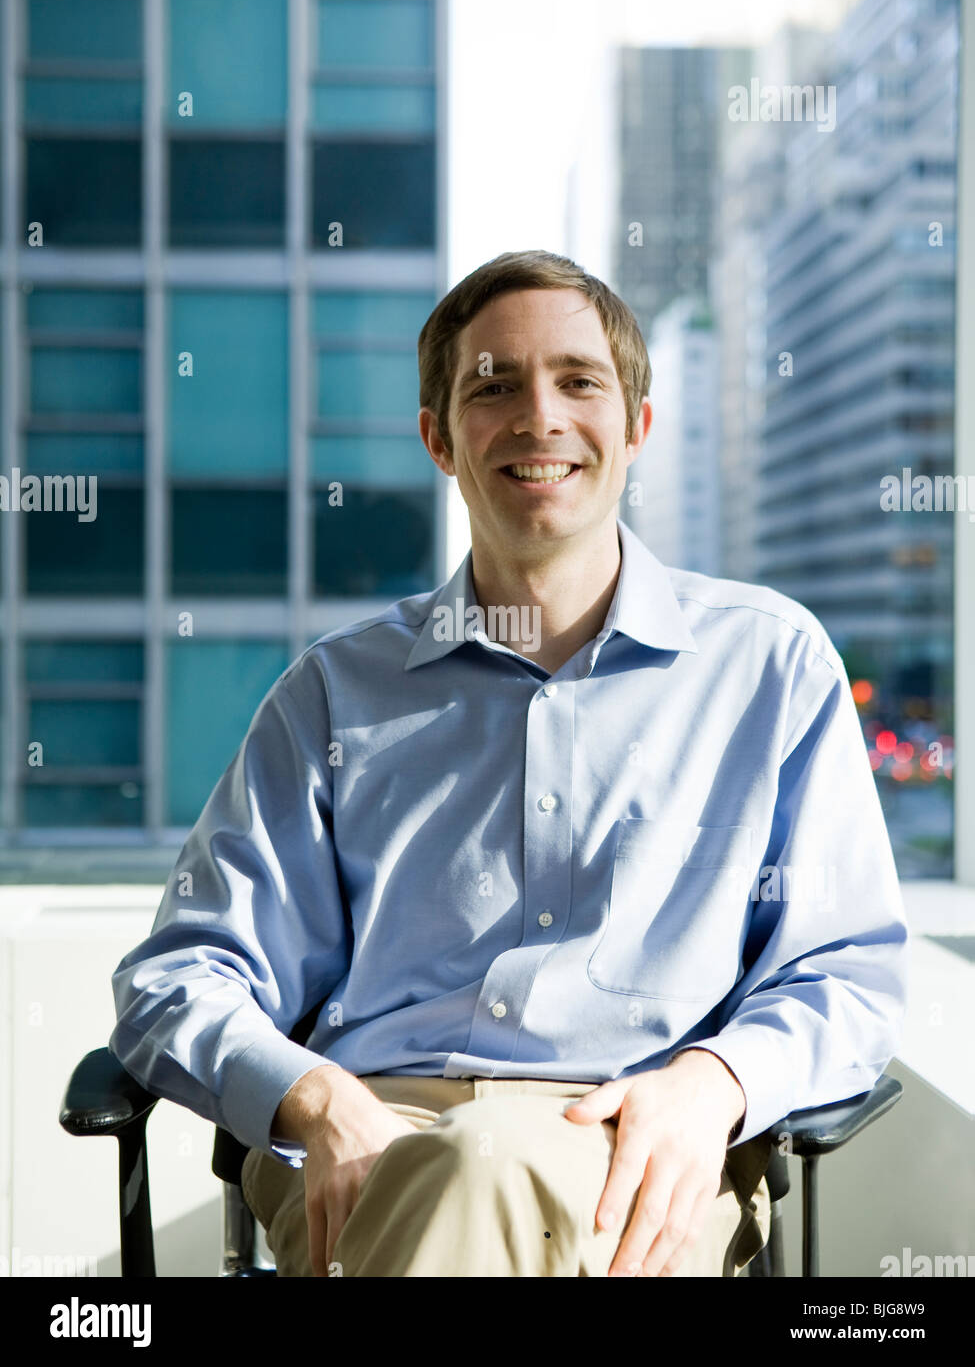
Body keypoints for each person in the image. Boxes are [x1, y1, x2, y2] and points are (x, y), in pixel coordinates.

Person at [110, 249, 909, 1278]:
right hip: (372, 1137)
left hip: (637, 1147)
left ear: (638, 428)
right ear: (441, 439)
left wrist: (717, 1079)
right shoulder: (331, 694)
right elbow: (179, 972)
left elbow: (846, 966)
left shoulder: (771, 665)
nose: (539, 416)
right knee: (466, 1171)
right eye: (494, 386)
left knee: (481, 1172)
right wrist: (314, 1097)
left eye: (579, 381)